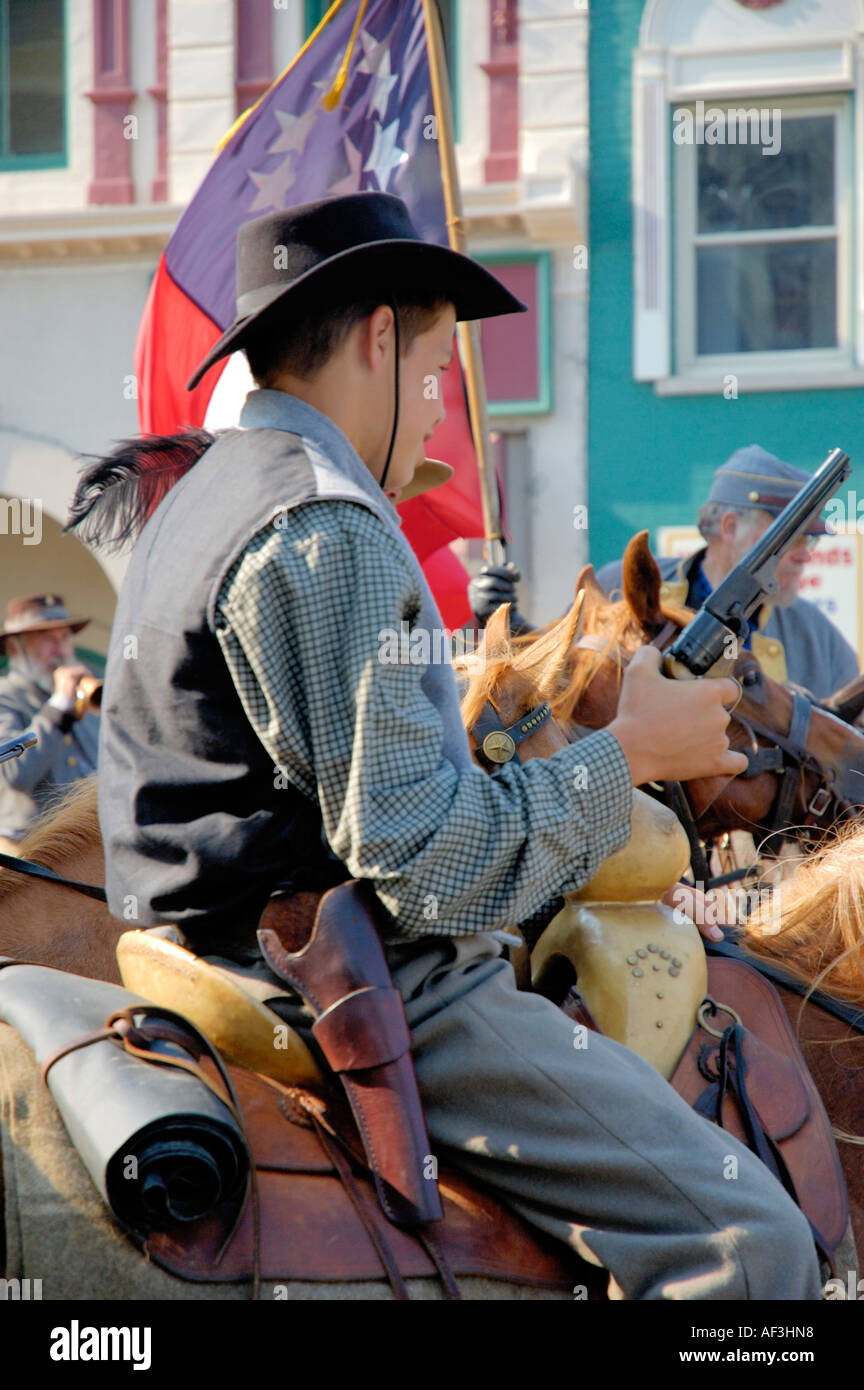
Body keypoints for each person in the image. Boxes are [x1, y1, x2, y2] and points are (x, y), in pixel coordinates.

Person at [94, 192, 820, 1299]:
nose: (440, 411)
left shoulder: (205, 489)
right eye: (436, 366)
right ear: (379, 337)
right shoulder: (328, 523)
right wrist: (629, 752)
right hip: (363, 978)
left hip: (224, 943)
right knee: (752, 1245)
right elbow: (426, 865)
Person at [594, 448, 859, 700]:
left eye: (809, 540)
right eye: (791, 538)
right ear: (731, 527)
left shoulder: (820, 639)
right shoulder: (618, 587)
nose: (804, 555)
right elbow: (567, 691)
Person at [0, 594, 99, 852]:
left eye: (64, 638)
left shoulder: (80, 692)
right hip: (31, 850)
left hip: (86, 843)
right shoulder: (5, 696)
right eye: (47, 639)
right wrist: (58, 708)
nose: (60, 649)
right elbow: (14, 773)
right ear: (14, 648)